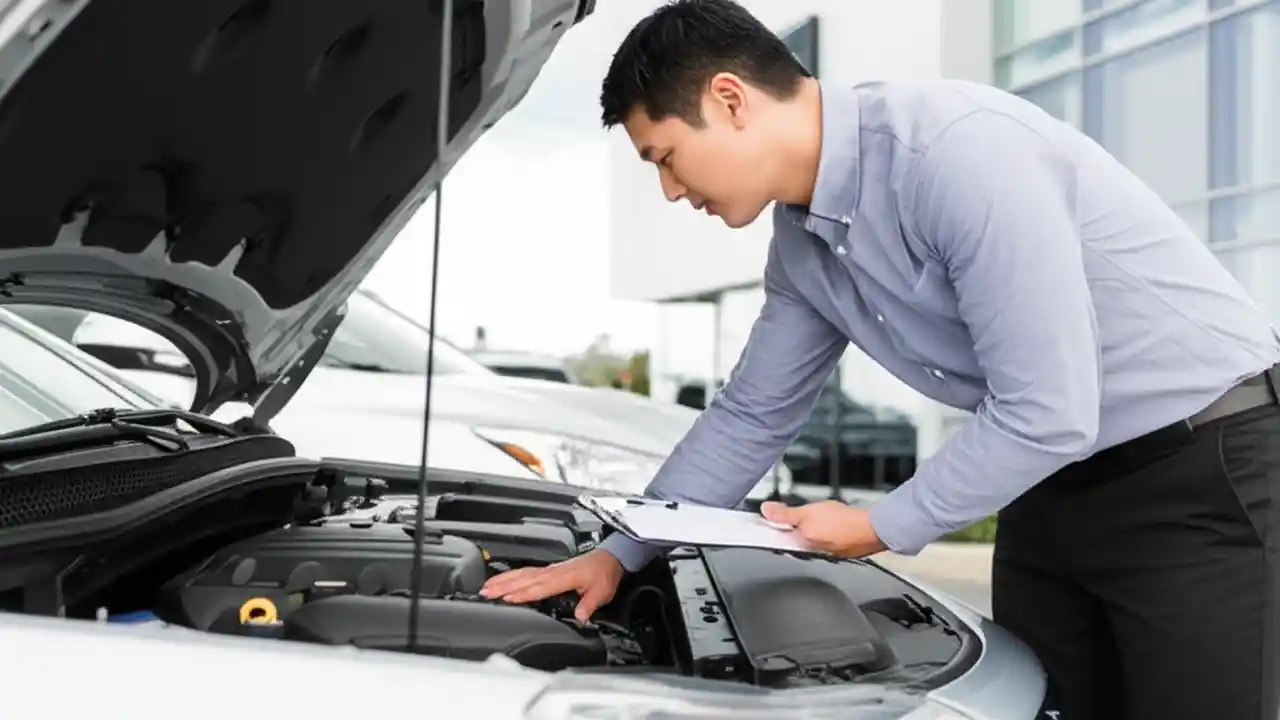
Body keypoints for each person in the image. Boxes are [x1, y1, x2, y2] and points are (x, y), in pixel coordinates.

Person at [480, 1, 1280, 716]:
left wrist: (879, 523)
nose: (670, 191)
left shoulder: (956, 155)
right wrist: (620, 555)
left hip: (1201, 473)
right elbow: (754, 413)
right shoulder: (800, 243)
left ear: (729, 100)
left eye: (663, 156)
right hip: (1048, 481)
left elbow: (1048, 407)